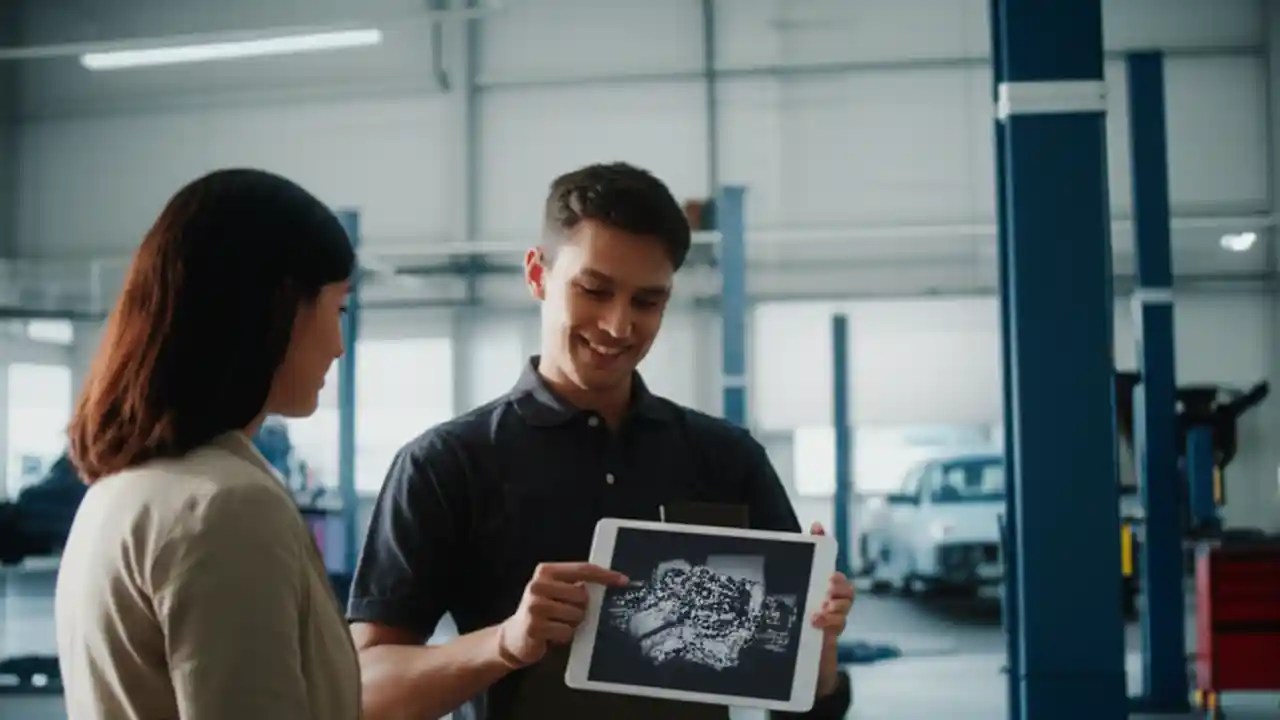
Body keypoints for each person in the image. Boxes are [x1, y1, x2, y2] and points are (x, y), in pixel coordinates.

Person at [348, 162, 854, 720]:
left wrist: (818, 652)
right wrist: (505, 643)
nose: (618, 326)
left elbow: (805, 703)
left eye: (647, 302)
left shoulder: (728, 459)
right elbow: (365, 693)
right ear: (538, 274)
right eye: (594, 290)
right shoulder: (445, 465)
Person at [55, 169, 361, 720]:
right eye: (337, 310)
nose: (339, 347)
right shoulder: (228, 507)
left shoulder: (121, 491)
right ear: (277, 306)